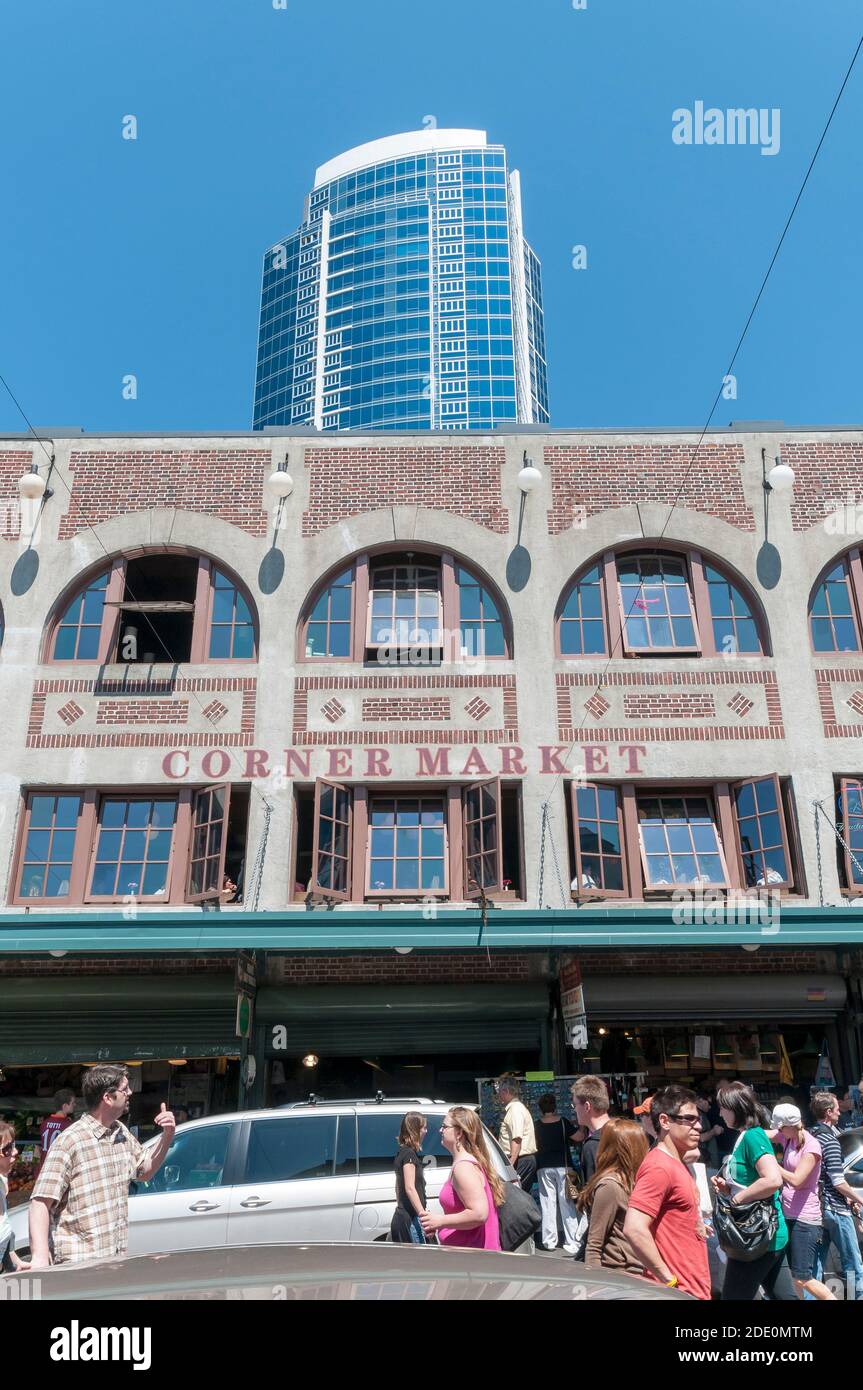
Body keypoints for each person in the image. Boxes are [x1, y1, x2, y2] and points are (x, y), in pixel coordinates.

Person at [29, 1064, 176, 1268]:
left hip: (113, 1261)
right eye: (125, 1089)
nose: (130, 1093)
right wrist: (39, 1257)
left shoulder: (120, 1132)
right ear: (108, 1097)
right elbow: (40, 1202)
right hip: (78, 1265)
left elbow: (145, 1172)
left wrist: (167, 1136)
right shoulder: (71, 1141)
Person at [623, 1084, 710, 1299]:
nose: (698, 1126)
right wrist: (668, 1280)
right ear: (664, 1121)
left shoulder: (675, 1162)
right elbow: (634, 1229)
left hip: (691, 1289)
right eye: (689, 1119)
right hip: (679, 1292)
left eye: (698, 1119)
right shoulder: (659, 1167)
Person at [711, 1080, 788, 1301]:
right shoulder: (747, 1136)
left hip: (755, 1236)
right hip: (767, 1235)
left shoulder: (752, 1136)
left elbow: (773, 1179)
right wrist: (728, 1188)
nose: (720, 1112)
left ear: (735, 1108)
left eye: (723, 1107)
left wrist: (736, 1199)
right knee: (784, 1296)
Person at [772, 1101, 834, 1301]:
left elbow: (798, 1181)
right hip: (789, 1215)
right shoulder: (787, 1138)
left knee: (802, 1277)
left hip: (806, 1220)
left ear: (792, 1125)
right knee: (793, 1276)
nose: (779, 1131)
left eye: (781, 1127)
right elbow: (762, 1135)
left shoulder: (812, 1146)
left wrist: (771, 1165)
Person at [420, 1106, 503, 1249]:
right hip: (469, 1258)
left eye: (444, 1126)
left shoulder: (463, 1167)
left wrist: (440, 1221)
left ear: (459, 1133)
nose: (440, 1130)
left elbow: (479, 1214)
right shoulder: (465, 1163)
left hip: (472, 1260)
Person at [810, 1090, 863, 1300]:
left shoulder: (812, 1135)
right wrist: (858, 1199)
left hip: (819, 1210)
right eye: (837, 1110)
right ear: (828, 1112)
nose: (840, 1113)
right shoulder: (830, 1141)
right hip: (835, 1210)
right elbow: (838, 1180)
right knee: (853, 1264)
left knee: (815, 1265)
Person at [578, 1116, 648, 1275]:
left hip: (638, 1272)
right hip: (620, 1274)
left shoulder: (634, 1180)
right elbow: (594, 1245)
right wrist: (596, 1285)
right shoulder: (610, 1186)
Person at [534, 1092, 579, 1253]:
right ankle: (573, 1240)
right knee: (567, 1203)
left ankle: (549, 1241)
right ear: (555, 1106)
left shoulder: (536, 1125)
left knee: (547, 1203)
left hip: (544, 1166)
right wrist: (582, 1125)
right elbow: (579, 1137)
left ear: (540, 1108)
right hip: (564, 1167)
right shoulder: (563, 1122)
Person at [391, 1111, 428, 1244]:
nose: (426, 1131)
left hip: (402, 1217)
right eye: (424, 1128)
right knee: (420, 1261)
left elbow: (397, 1187)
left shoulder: (401, 1153)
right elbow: (410, 1188)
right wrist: (423, 1217)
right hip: (412, 1218)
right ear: (415, 1130)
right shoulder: (409, 1155)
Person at [496, 1078, 537, 1191]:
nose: (499, 1095)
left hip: (520, 1160)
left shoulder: (515, 1110)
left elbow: (517, 1139)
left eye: (500, 1092)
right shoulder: (515, 1108)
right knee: (519, 1194)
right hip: (520, 1159)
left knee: (516, 1195)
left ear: (506, 1092)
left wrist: (510, 1165)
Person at [0, 1122, 29, 1272]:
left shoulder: (2, 1181)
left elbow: (3, 1229)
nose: (15, 1151)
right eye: (7, 1149)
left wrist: (15, 1262)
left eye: (14, 1145)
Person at [571, 1075, 611, 1182]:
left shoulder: (592, 1145)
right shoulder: (628, 1133)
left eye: (575, 1105)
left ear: (587, 1107)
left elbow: (592, 1193)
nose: (574, 1110)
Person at [36, 1089, 76, 1170]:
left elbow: (39, 1148)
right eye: (72, 1103)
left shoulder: (44, 1123)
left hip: (44, 1168)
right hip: (58, 1168)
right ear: (65, 1106)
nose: (75, 1105)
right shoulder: (68, 1125)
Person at [696, 1084, 723, 1174]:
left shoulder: (702, 1114)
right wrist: (714, 1131)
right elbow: (700, 1137)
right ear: (699, 1101)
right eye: (708, 1103)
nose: (710, 1106)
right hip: (704, 1161)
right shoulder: (697, 1115)